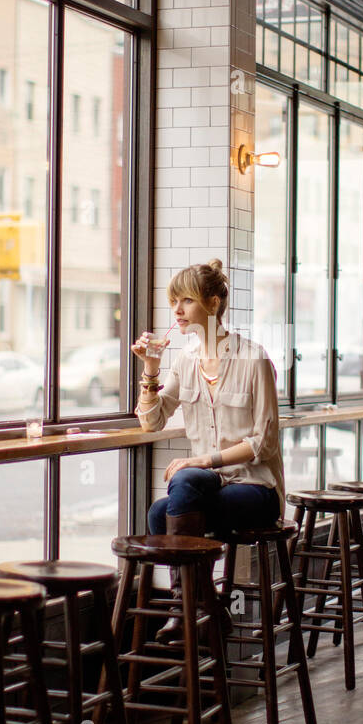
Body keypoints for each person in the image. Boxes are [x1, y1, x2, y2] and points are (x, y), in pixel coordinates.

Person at [133, 259, 284, 643]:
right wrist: (151, 368)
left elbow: (263, 442)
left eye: (186, 300)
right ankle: (207, 609)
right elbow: (152, 421)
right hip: (211, 486)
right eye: (174, 302)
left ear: (214, 304)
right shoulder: (185, 361)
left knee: (168, 500)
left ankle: (187, 611)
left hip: (257, 489)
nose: (177, 311)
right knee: (161, 507)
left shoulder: (255, 359)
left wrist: (203, 460)